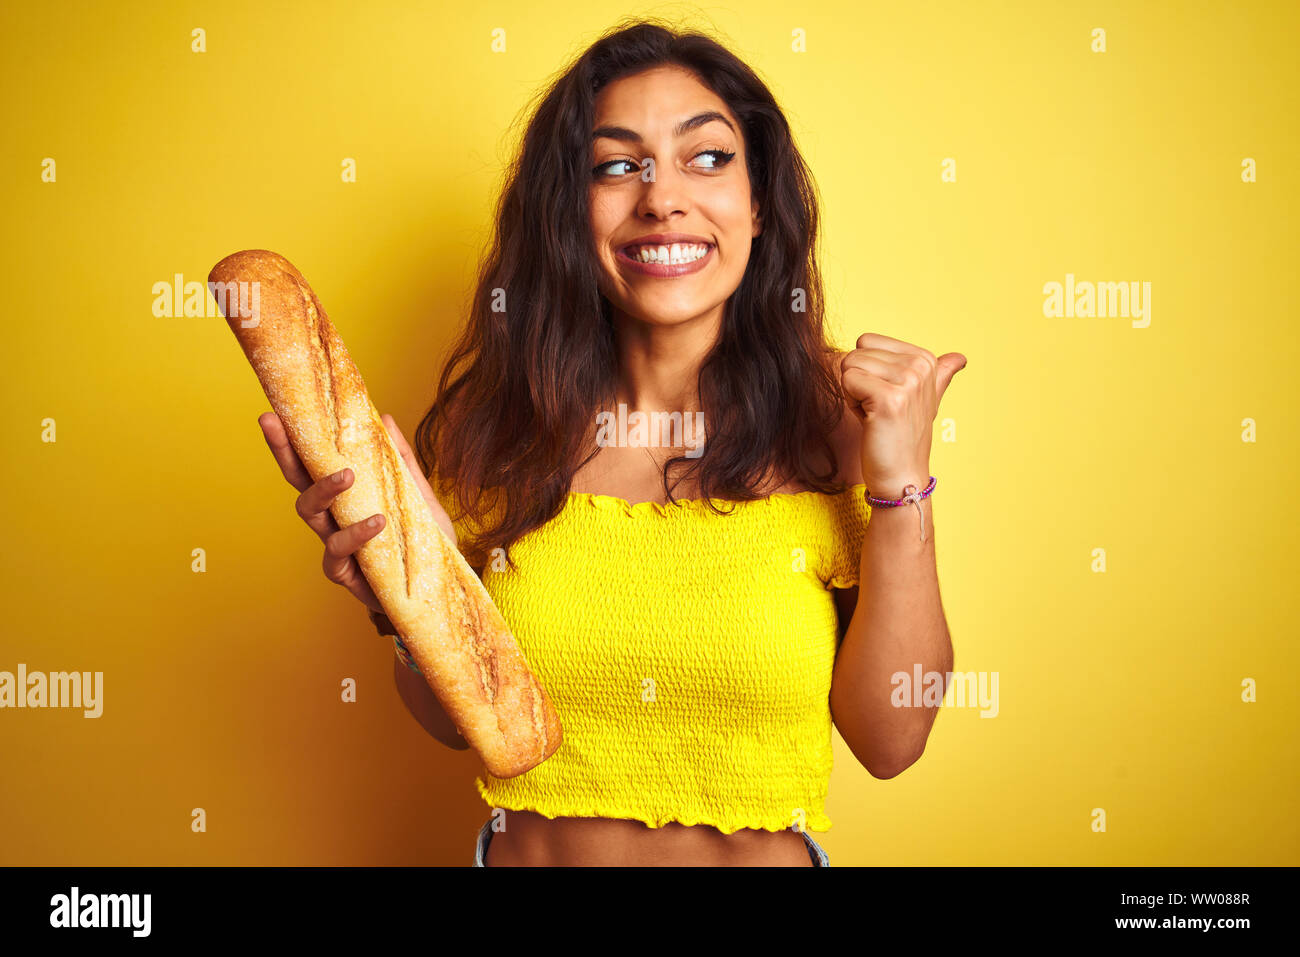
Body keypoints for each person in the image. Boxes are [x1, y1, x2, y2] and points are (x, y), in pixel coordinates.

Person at [258, 18, 965, 866]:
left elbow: (892, 740)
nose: (662, 197)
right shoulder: (500, 430)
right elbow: (463, 724)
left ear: (761, 205)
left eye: (707, 158)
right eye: (617, 165)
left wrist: (901, 486)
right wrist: (405, 603)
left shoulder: (843, 424)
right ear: (568, 212)